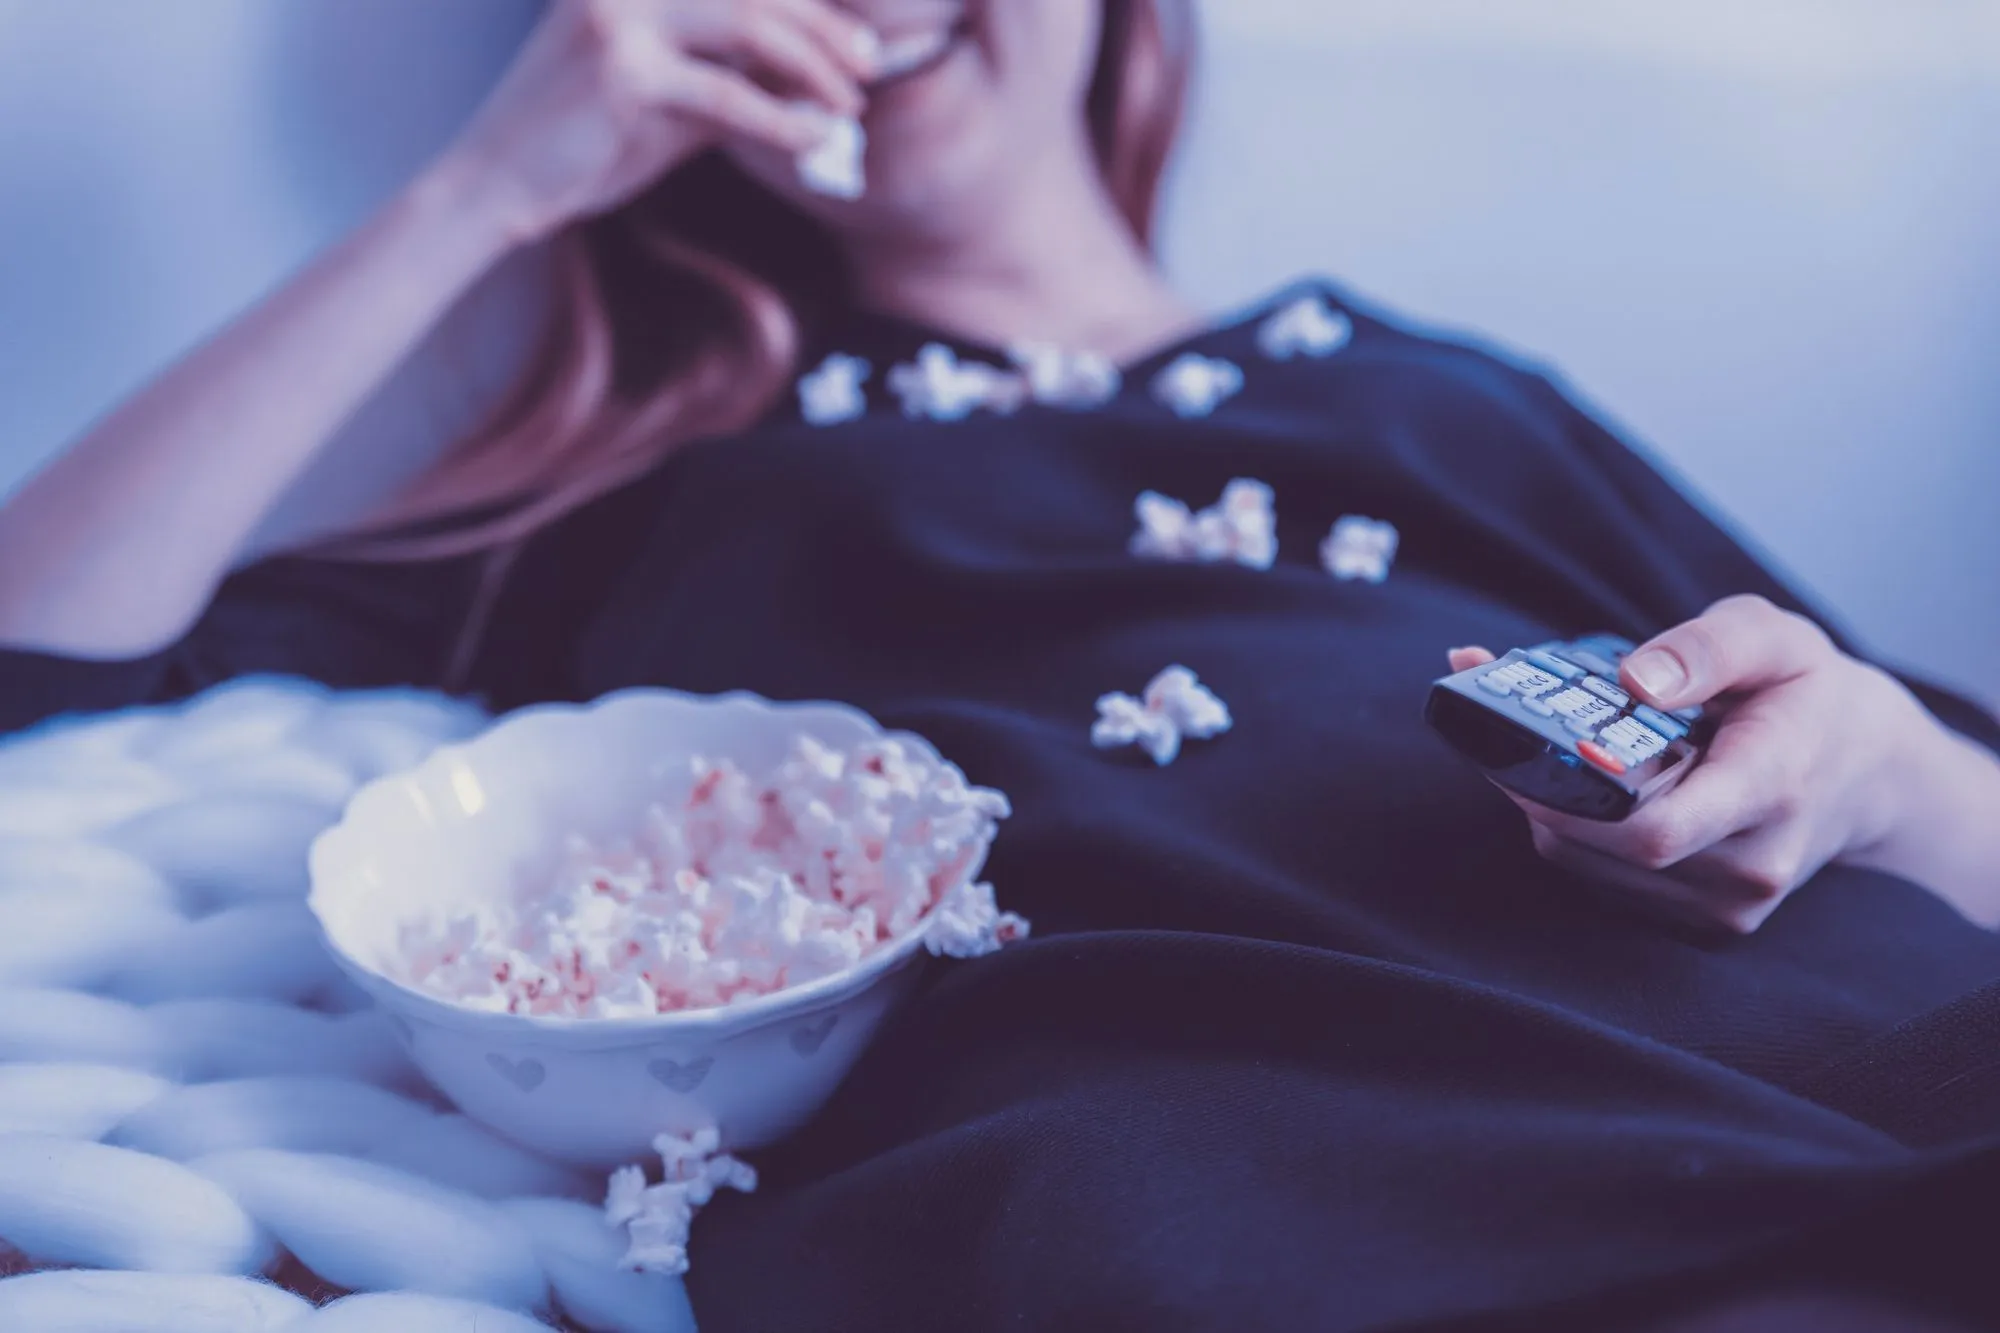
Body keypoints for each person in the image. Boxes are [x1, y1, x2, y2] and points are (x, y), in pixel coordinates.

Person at [3, 2, 1998, 1328]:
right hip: (1244, 1173)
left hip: (1838, 1049)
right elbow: (42, 664)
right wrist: (488, 188)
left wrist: (1884, 771)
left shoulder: (1441, 401)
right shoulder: (667, 493)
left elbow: (1944, 809)